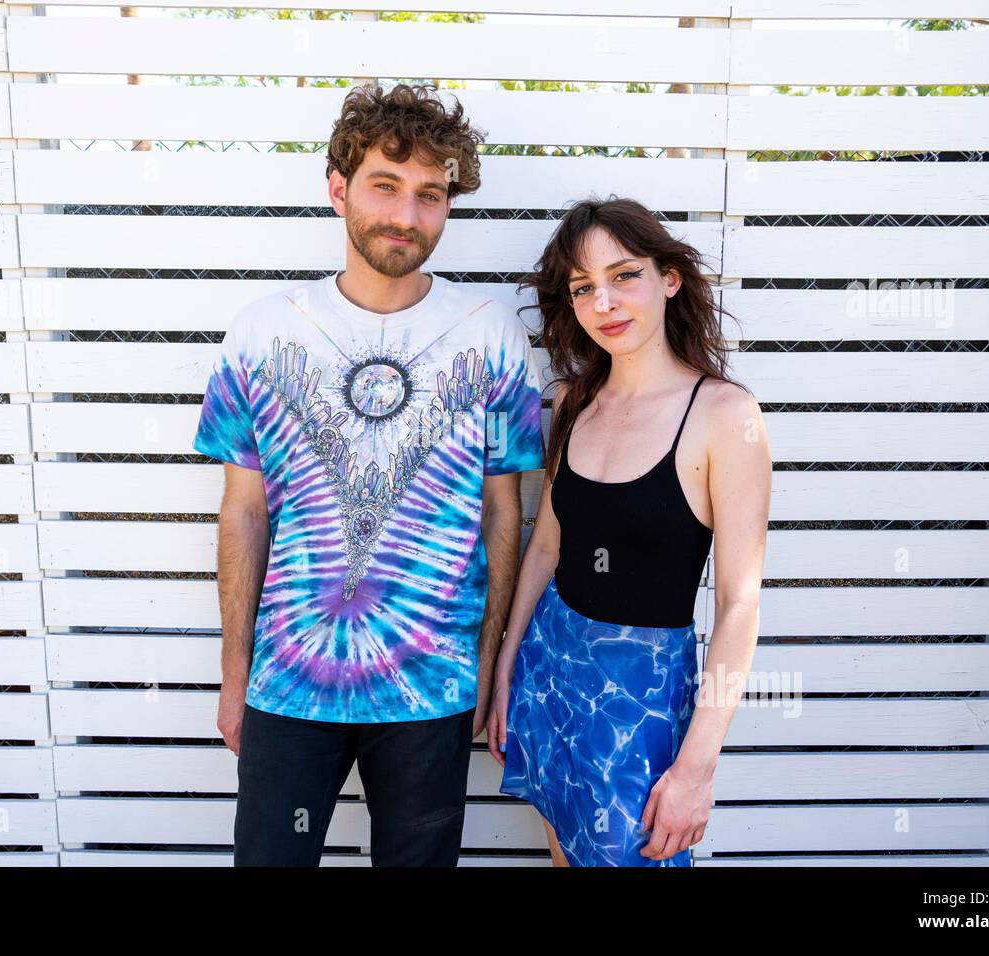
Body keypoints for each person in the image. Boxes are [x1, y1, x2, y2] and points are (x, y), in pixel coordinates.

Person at [192, 82, 545, 866]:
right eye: (386, 186)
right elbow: (243, 513)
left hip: (432, 691)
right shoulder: (261, 331)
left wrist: (486, 666)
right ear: (338, 188)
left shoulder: (490, 337)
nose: (408, 216)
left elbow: (503, 510)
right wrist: (233, 671)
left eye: (431, 195)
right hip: (286, 684)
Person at [489, 197, 770, 866]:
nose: (605, 302)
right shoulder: (571, 401)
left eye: (624, 275)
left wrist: (697, 768)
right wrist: (506, 664)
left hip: (640, 700)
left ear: (670, 278)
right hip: (551, 666)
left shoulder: (726, 416)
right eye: (584, 288)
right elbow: (549, 546)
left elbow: (740, 603)